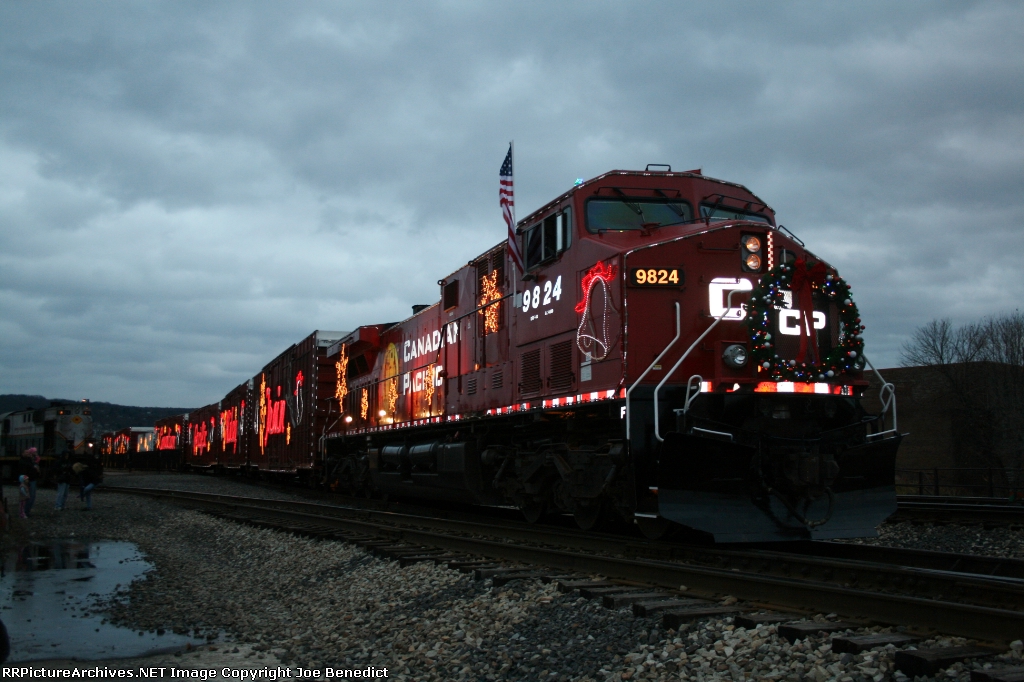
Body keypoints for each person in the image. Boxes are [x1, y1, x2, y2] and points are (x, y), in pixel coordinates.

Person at [20, 448, 40, 517]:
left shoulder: (30, 461)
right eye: (26, 452)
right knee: (28, 497)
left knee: (32, 497)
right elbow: (23, 472)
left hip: (32, 480)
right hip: (28, 481)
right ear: (22, 454)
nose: (28, 453)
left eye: (28, 452)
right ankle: (25, 512)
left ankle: (27, 511)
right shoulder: (23, 462)